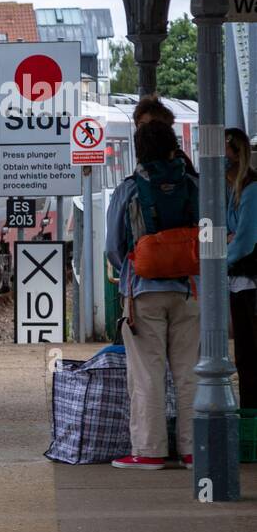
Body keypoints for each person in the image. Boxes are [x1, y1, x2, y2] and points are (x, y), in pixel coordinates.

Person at [105, 119, 200, 469]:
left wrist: (134, 266)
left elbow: (113, 247)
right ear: (173, 146)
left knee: (147, 372)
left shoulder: (129, 189)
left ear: (139, 150)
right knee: (190, 371)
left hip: (142, 293)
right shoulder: (193, 184)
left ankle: (149, 451)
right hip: (189, 290)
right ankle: (193, 451)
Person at [226, 127, 257, 407]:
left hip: (249, 281)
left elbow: (244, 239)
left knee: (250, 355)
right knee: (244, 357)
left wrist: (218, 261)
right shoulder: (230, 191)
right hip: (238, 282)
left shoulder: (251, 190)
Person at [133, 94, 198, 175]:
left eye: (151, 125)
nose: (145, 131)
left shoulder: (181, 164)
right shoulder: (142, 162)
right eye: (141, 125)